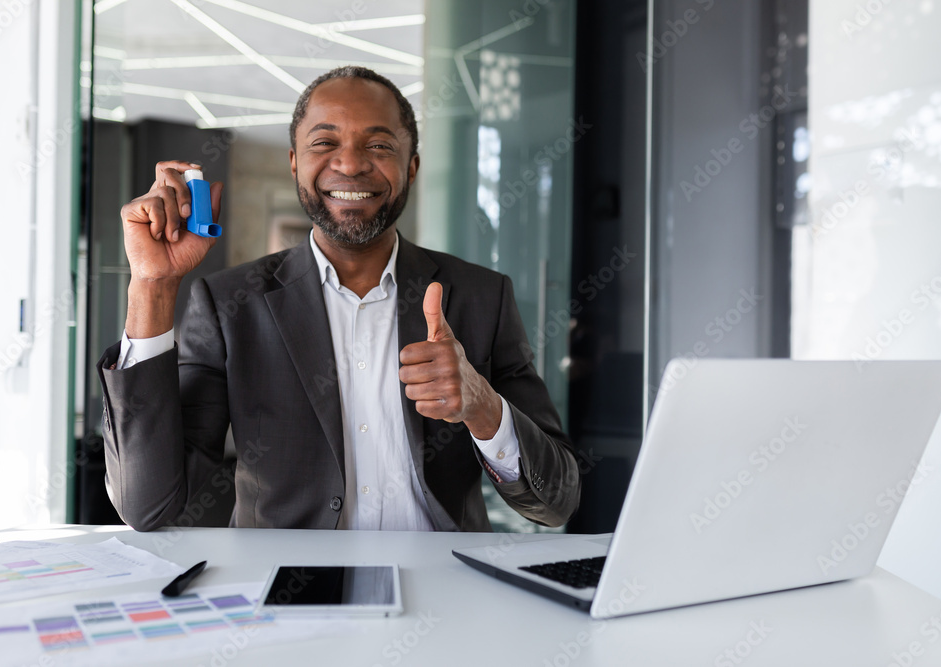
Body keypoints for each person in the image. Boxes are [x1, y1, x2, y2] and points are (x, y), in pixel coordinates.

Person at [96, 65, 580, 532]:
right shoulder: (229, 304)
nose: (349, 164)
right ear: (294, 163)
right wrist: (152, 286)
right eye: (324, 143)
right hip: (288, 596)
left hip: (445, 592)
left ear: (411, 167)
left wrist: (483, 407)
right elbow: (149, 506)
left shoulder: (481, 297)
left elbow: (556, 501)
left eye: (379, 145)